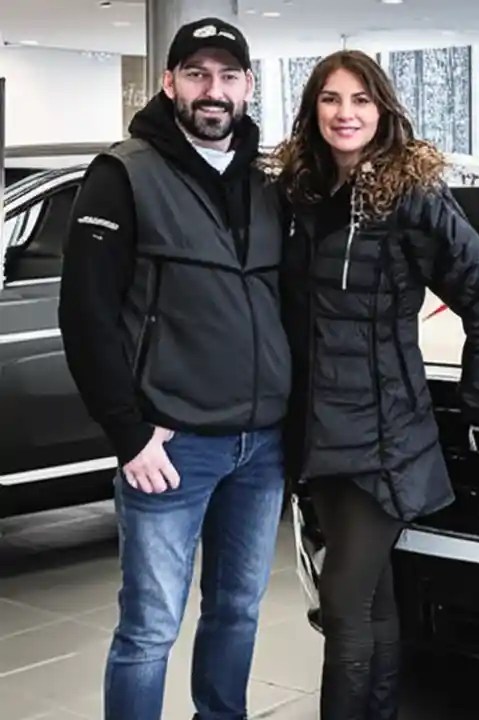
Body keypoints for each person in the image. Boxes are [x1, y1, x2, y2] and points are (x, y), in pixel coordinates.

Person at [269, 50, 479, 718]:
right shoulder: (302, 194)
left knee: (345, 607)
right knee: (373, 604)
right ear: (312, 109)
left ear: (382, 110)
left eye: (360, 99)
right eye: (330, 99)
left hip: (384, 436)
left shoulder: (413, 197)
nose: (345, 114)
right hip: (318, 433)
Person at [58, 17, 291, 720]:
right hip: (172, 445)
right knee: (149, 628)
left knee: (238, 611)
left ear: (248, 86)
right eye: (195, 74)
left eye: (226, 75)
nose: (211, 91)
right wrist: (127, 433)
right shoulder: (123, 173)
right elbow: (86, 315)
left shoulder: (269, 179)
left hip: (262, 446)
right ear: (169, 83)